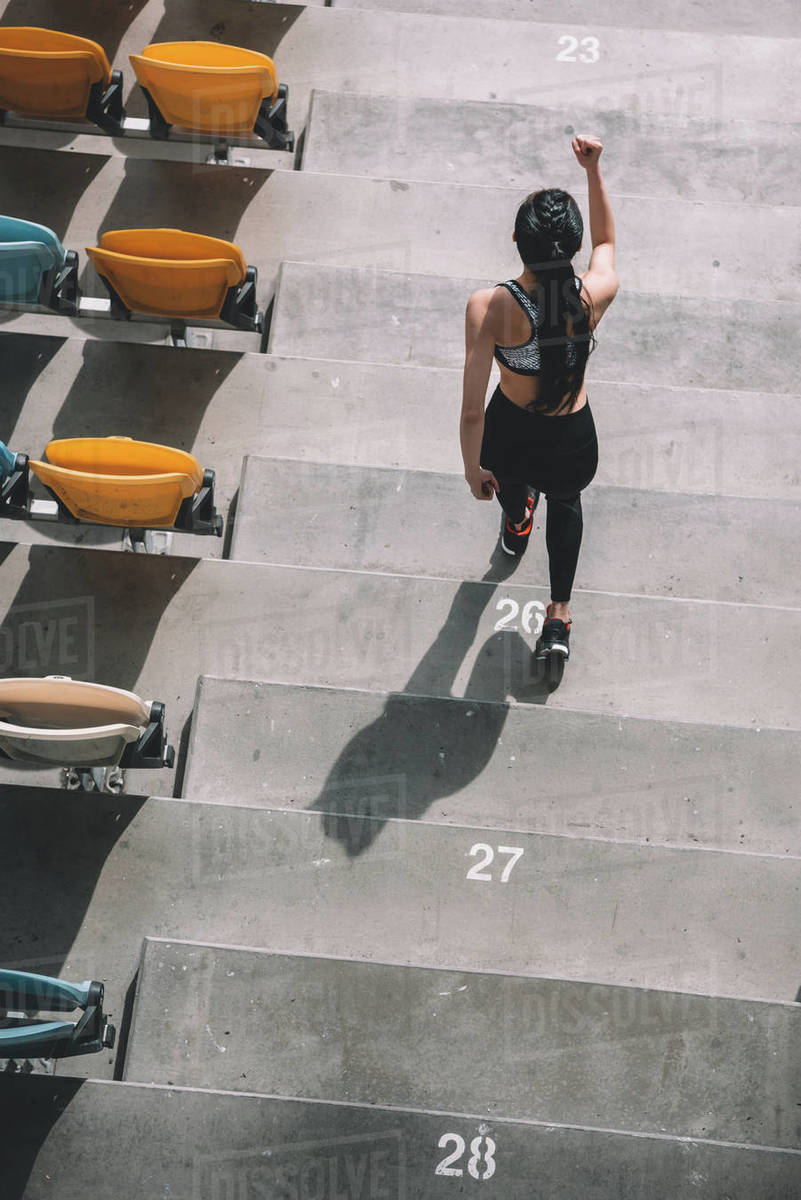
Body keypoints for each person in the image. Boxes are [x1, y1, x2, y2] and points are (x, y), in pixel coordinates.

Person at [459, 134, 619, 660]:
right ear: (570, 249)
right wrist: (593, 172)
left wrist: (471, 469)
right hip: (572, 436)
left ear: (515, 240)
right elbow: (606, 246)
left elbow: (471, 410)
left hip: (510, 431)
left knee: (508, 479)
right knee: (567, 505)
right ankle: (558, 617)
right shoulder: (592, 297)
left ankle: (517, 518)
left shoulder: (490, 306)